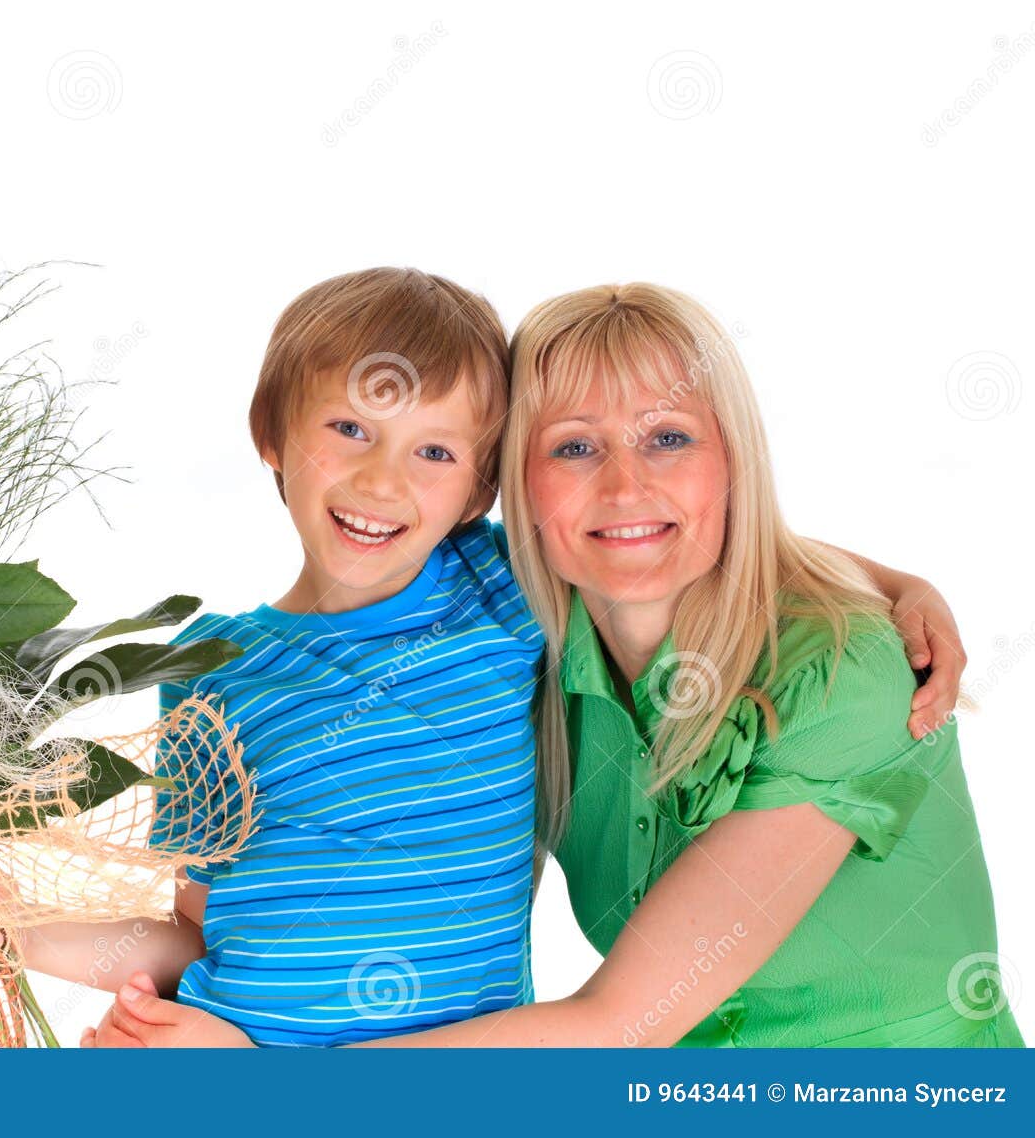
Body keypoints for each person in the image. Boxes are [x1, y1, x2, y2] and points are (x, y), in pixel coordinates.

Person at [84, 282, 1016, 1048]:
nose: (624, 483)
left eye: (669, 437)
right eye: (574, 446)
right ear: (513, 486)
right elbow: (238, 912)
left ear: (735, 458)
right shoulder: (521, 627)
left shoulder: (846, 676)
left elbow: (621, 1022)